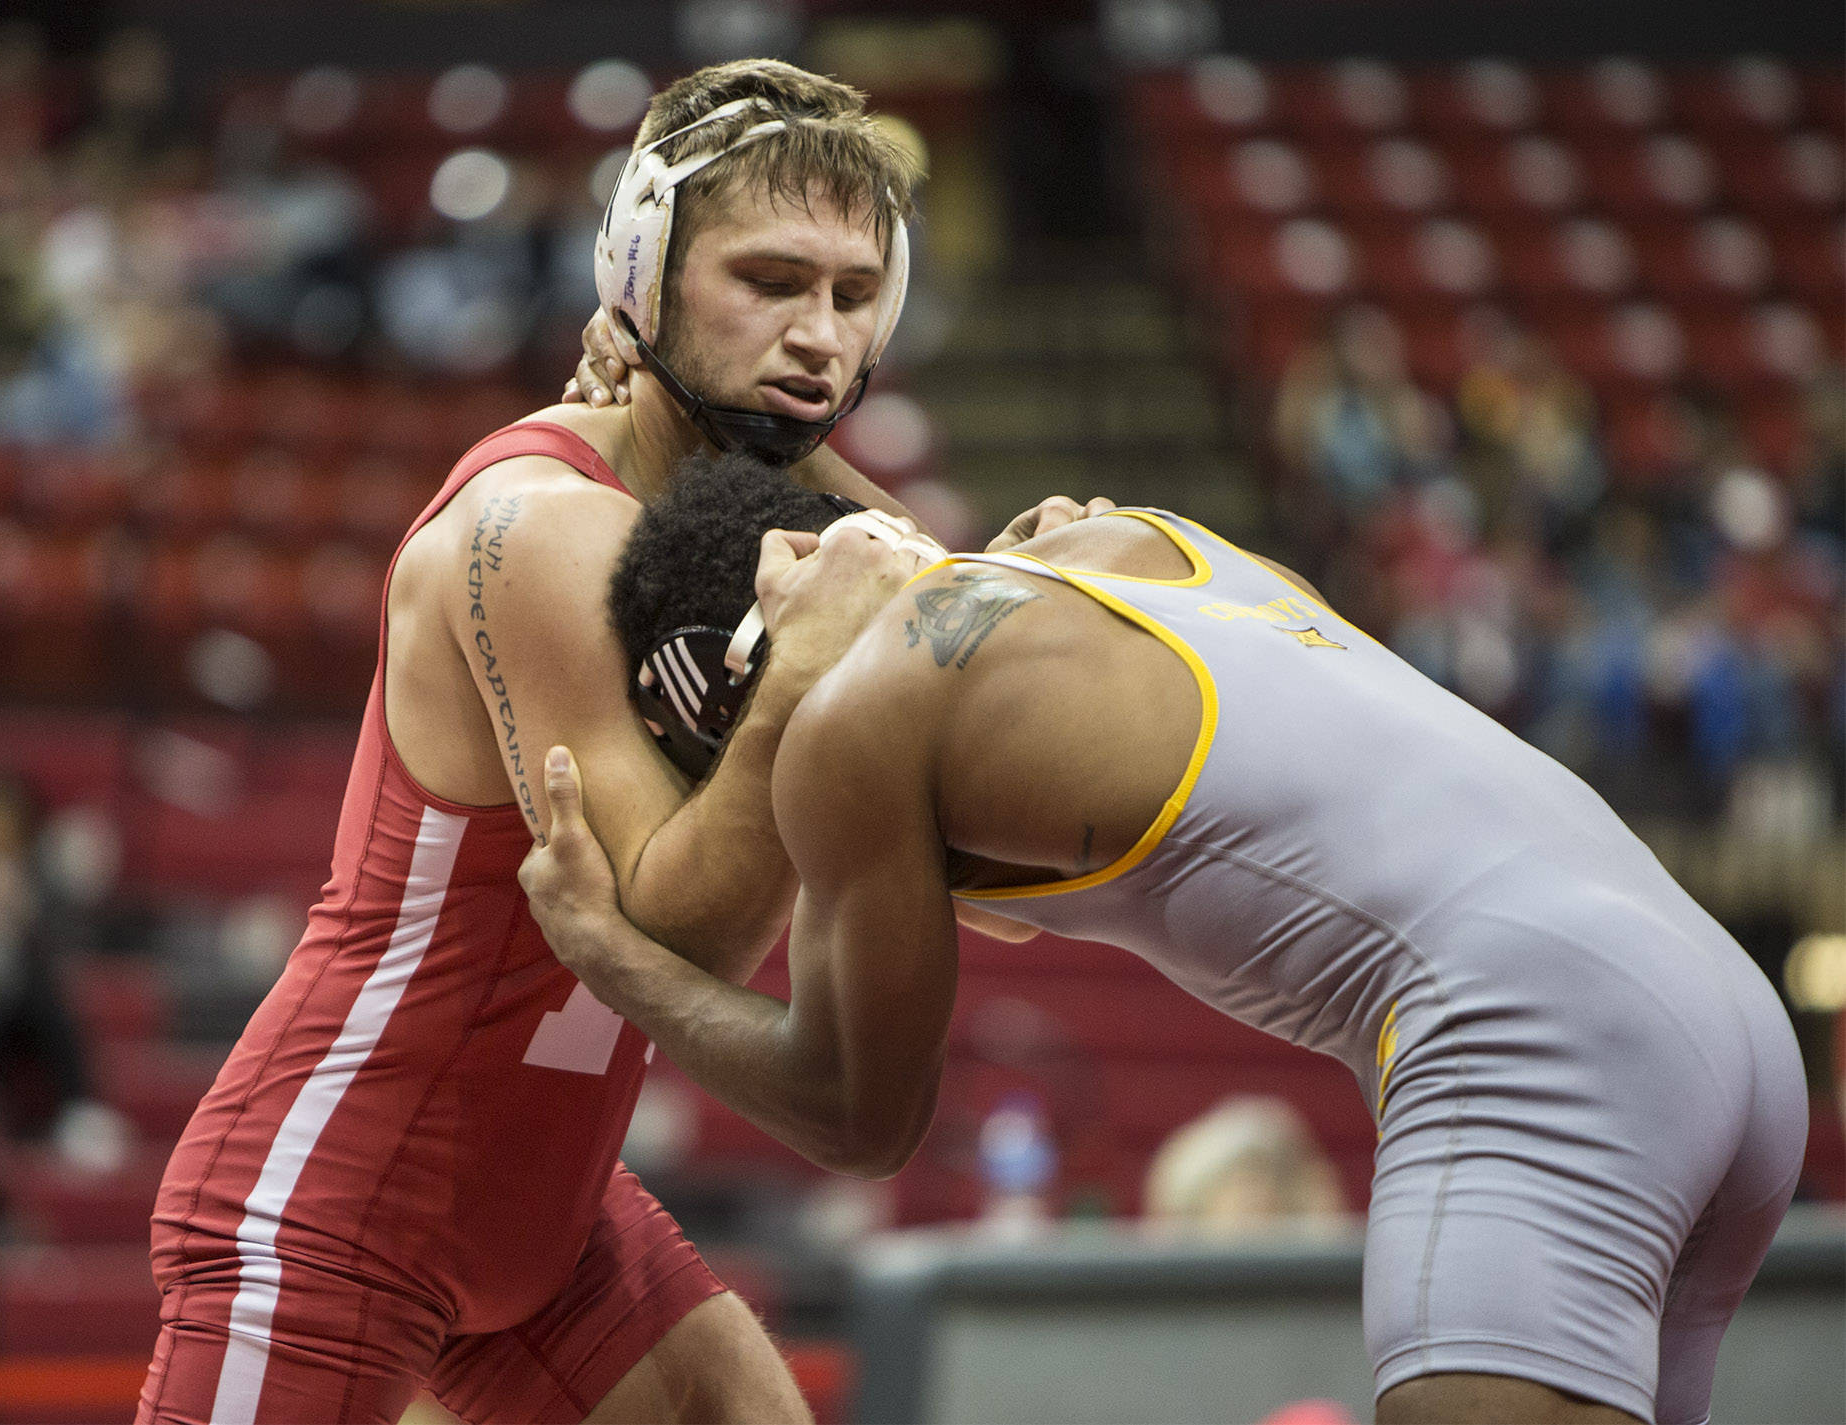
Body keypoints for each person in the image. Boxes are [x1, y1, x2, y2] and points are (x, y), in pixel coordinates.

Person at [519, 454, 1809, 1425]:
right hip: (1732, 1022)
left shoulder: (853, 721)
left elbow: (858, 1116)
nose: (758, 820)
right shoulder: (1134, 542)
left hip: (1538, 1025)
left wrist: (608, 951)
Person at [140, 59, 937, 1425]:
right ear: (642, 276)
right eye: (769, 281)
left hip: (542, 1212)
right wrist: (807, 675)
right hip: (340, 1198)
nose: (817, 335)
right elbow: (676, 938)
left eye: (854, 296)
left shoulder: (753, 529)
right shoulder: (540, 526)